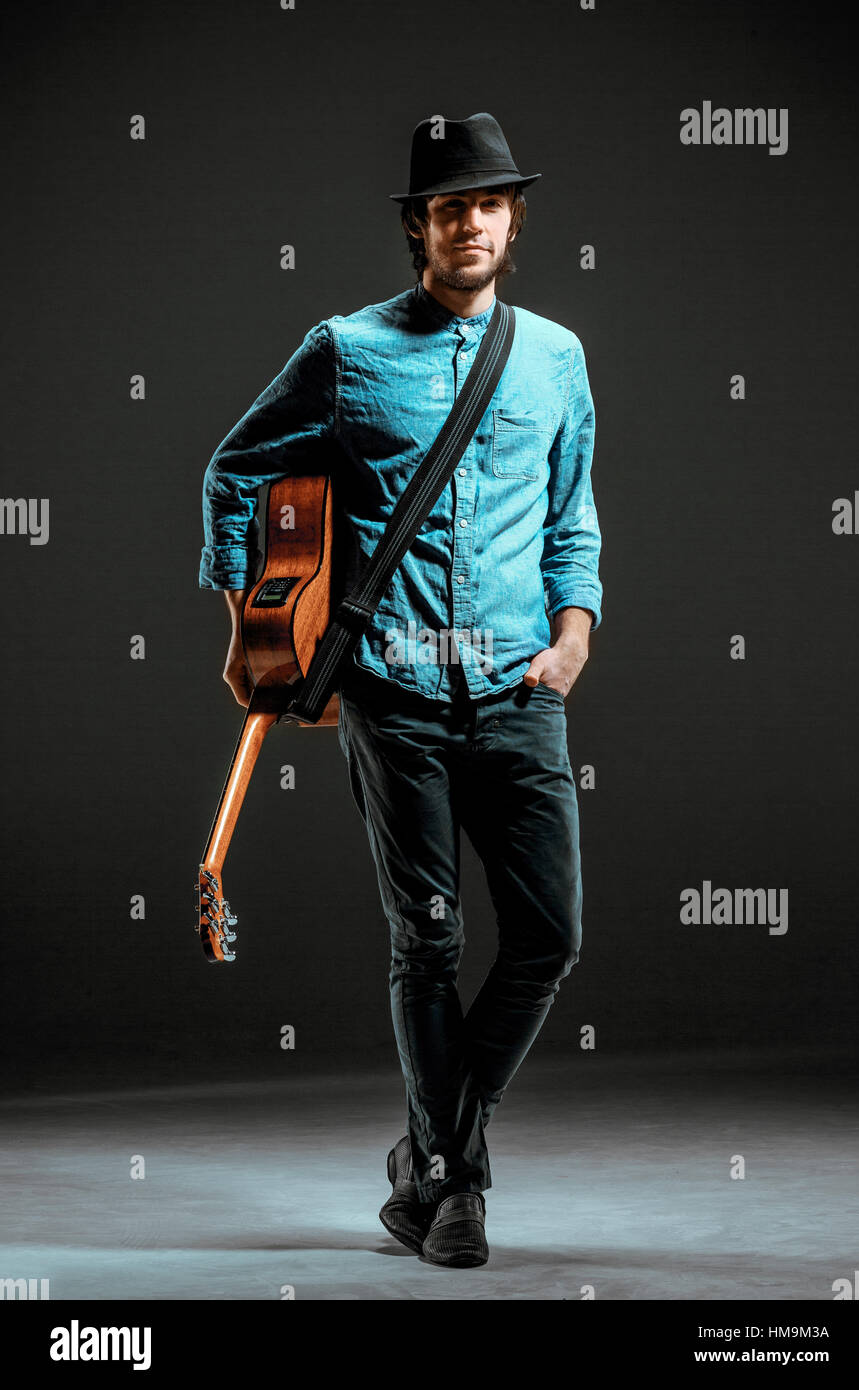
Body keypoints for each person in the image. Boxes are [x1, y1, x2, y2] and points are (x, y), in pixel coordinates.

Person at [199, 112, 603, 1268]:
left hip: (522, 687)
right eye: (446, 206)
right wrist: (253, 620)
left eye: (488, 203)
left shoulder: (556, 357)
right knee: (428, 939)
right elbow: (237, 468)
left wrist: (573, 635)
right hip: (394, 693)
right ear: (417, 227)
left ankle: (420, 1155)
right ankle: (458, 1185)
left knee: (548, 936)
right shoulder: (346, 349)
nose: (468, 221)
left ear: (512, 221)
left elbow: (573, 514)